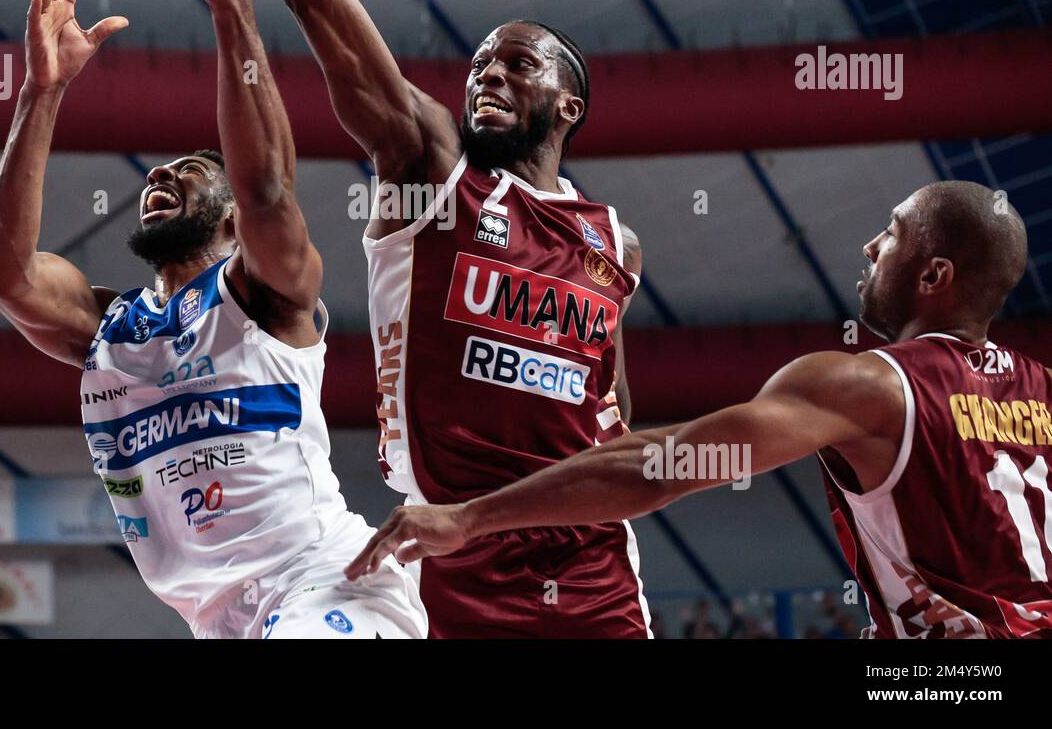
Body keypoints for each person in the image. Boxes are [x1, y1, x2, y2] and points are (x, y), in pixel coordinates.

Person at [101, 0, 651, 637]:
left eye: (518, 64)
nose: (489, 76)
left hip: (590, 574)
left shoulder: (615, 241)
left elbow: (613, 424)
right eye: (479, 66)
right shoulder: (428, 167)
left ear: (569, 105)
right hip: (446, 553)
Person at [0, 0, 425, 639]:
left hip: (328, 586)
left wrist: (230, 4)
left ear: (227, 218)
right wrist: (40, 93)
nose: (160, 173)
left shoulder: (268, 297)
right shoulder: (109, 331)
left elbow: (270, 188)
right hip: (222, 620)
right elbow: (6, 274)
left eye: (190, 170)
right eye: (159, 171)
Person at [347, 182, 1052, 639]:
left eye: (893, 232)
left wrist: (470, 516)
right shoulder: (1043, 388)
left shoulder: (867, 386)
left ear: (935, 276)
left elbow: (665, 463)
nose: (871, 245)